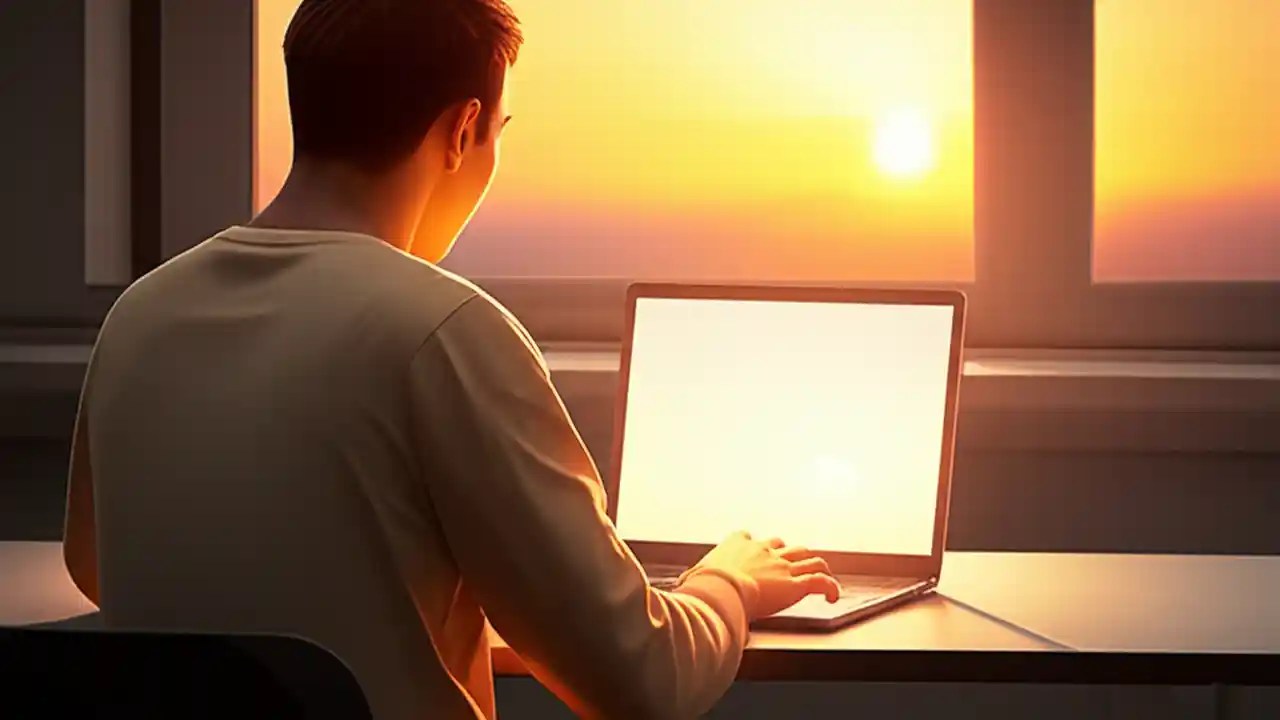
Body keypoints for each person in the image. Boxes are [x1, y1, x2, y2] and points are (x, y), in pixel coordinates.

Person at [61, 1, 840, 718]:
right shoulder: (443, 332)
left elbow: (98, 567)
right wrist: (728, 582)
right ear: (463, 129)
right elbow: (641, 680)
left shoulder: (142, 314)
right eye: (499, 130)